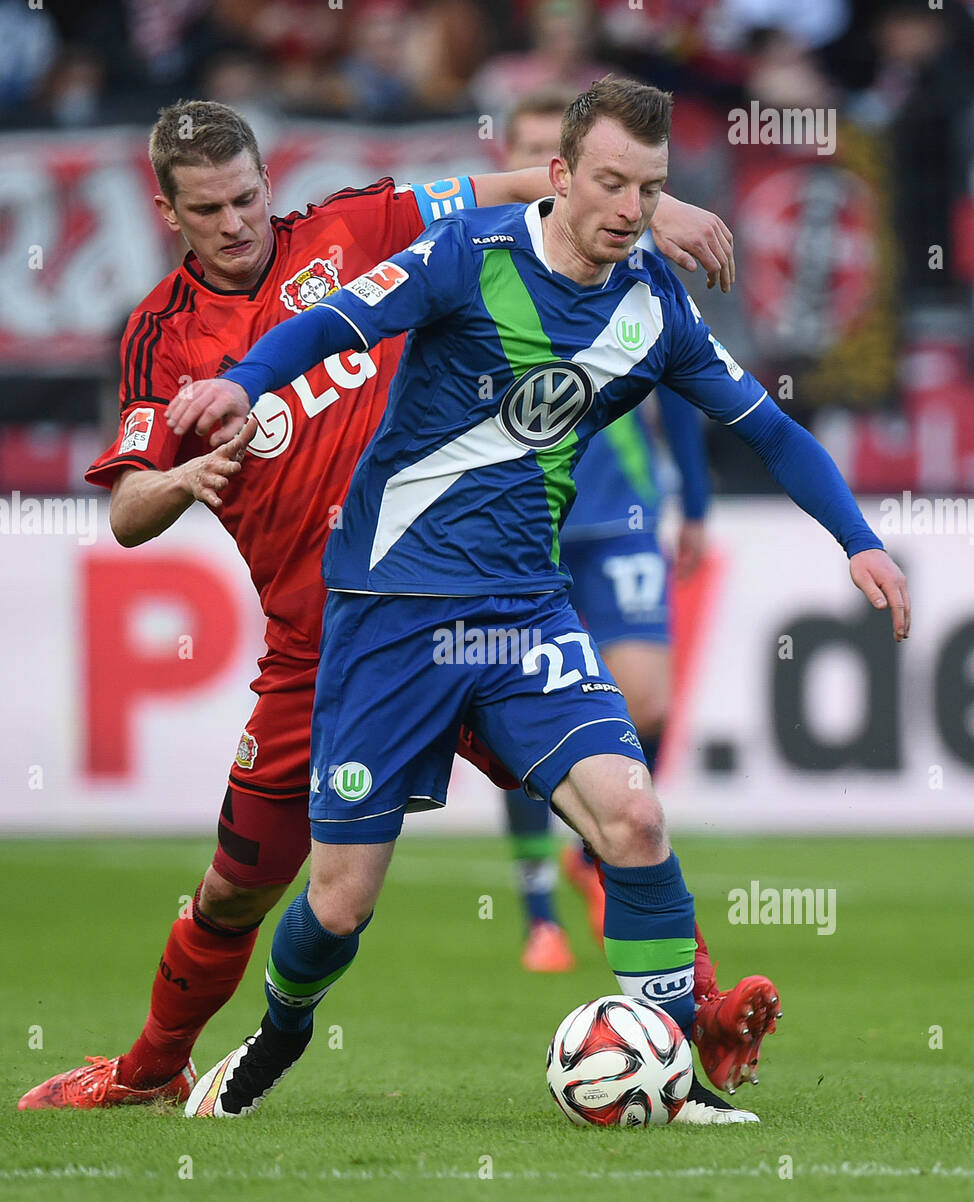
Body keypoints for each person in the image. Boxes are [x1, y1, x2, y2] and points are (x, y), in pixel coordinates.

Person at [172, 77, 909, 1125]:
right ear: (560, 174)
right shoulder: (468, 256)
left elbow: (771, 431)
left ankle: (675, 1074)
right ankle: (275, 1040)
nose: (626, 208)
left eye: (648, 190)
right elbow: (335, 321)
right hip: (392, 608)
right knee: (337, 904)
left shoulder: (654, 309)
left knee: (635, 817)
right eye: (608, 182)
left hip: (523, 608)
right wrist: (244, 382)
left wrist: (859, 540)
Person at [18, 97, 738, 1112]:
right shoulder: (160, 338)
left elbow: (531, 185)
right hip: (324, 652)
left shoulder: (360, 225)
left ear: (270, 182)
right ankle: (148, 1069)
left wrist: (651, 215)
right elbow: (129, 508)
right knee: (238, 888)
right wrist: (181, 481)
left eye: (248, 197)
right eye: (209, 209)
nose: (236, 224)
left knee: (615, 805)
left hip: (468, 599)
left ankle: (698, 1019)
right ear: (166, 210)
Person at [498, 89, 711, 977]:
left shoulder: (630, 270)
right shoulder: (477, 265)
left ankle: (599, 857)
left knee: (649, 700)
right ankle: (539, 911)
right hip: (513, 528)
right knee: (519, 726)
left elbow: (689, 383)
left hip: (616, 513)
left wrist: (693, 502)